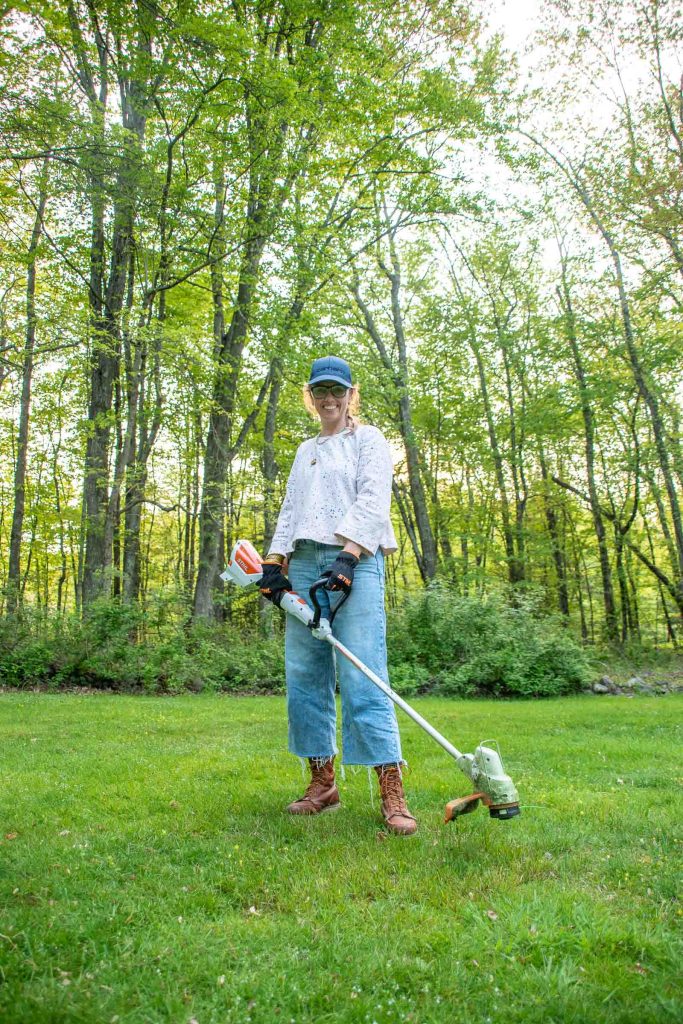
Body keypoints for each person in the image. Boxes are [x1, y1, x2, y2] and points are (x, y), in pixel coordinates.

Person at [259, 355, 417, 836]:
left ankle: (392, 791)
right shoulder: (305, 449)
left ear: (352, 395)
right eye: (320, 391)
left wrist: (348, 558)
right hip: (304, 562)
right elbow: (290, 509)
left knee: (363, 670)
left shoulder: (368, 441)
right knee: (306, 674)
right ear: (311, 396)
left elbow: (373, 500)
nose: (329, 398)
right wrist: (275, 562)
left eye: (338, 391)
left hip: (357, 561)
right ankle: (322, 784)